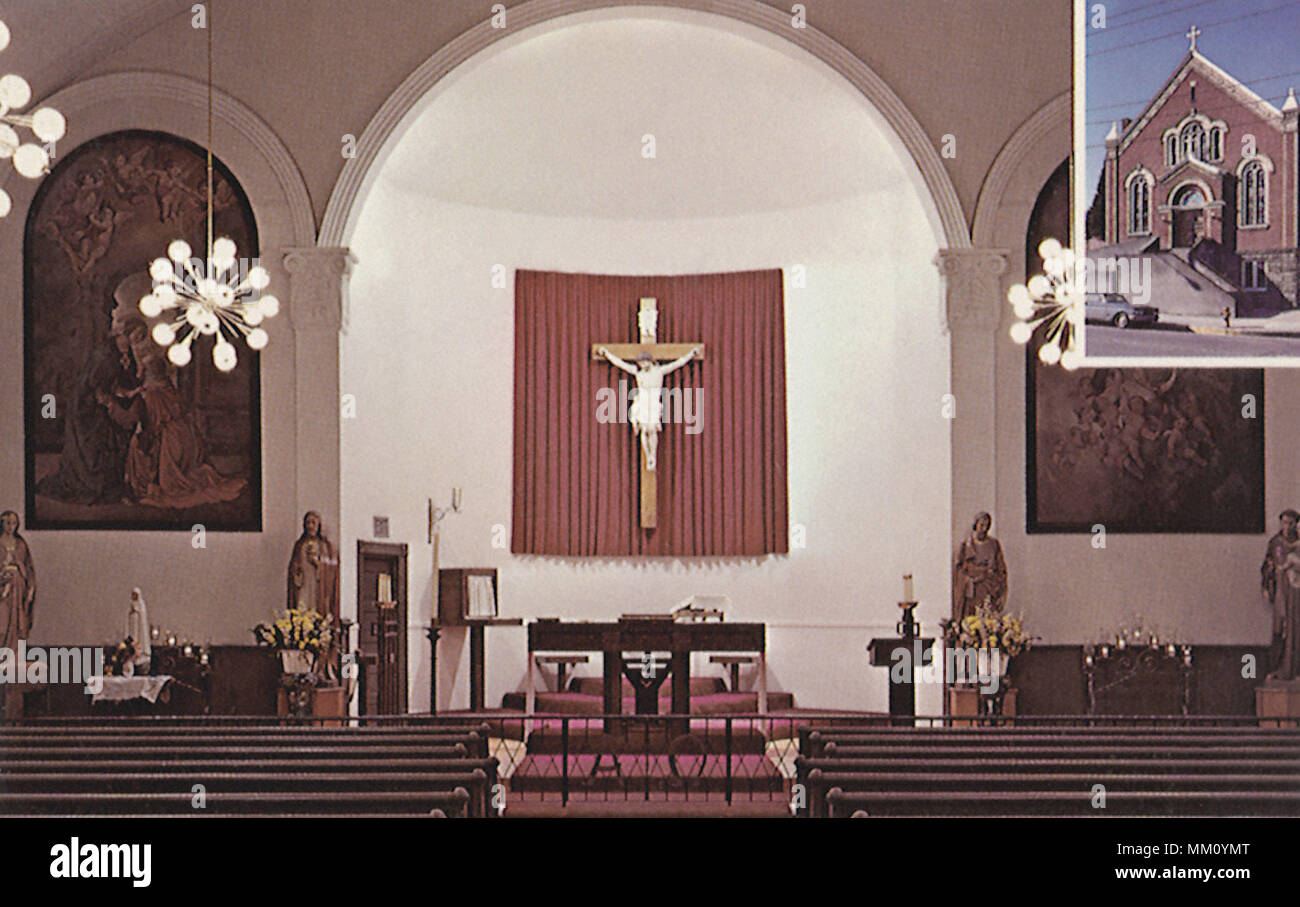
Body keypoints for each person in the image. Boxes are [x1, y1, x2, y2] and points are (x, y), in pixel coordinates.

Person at [595, 345, 702, 471]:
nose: (642, 365)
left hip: (653, 402)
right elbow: (620, 364)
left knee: (652, 429)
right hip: (643, 402)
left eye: (644, 362)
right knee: (644, 429)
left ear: (650, 361)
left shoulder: (659, 371)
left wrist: (691, 354)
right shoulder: (638, 372)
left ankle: (653, 456)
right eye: (640, 363)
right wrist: (607, 354)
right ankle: (648, 456)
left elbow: (678, 363)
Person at [1, 511, 36, 718]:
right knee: (3, 624)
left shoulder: (21, 544)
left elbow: (29, 569)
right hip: (3, 593)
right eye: (7, 522)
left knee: (16, 627)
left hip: (18, 592)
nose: (10, 526)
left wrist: (28, 586)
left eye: (14, 523)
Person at [1261, 509, 1300, 680]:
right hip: (1281, 591)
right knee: (1280, 628)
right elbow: (1268, 565)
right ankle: (1277, 668)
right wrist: (1266, 585)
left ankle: (1296, 670)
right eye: (1284, 523)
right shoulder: (1275, 543)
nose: (1287, 527)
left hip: (1296, 590)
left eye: (1291, 523)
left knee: (1296, 629)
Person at [952, 511, 1008, 623]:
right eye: (981, 525)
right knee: (971, 619)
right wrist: (969, 578)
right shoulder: (966, 545)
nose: (984, 529)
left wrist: (1001, 589)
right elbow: (959, 569)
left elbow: (1001, 570)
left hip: (988, 587)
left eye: (987, 526)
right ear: (975, 525)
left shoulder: (994, 544)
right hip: (973, 589)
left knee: (988, 617)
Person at [287, 511, 340, 624]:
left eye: (313, 522)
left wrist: (317, 563)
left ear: (319, 525)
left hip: (318, 586)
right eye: (307, 523)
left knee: (316, 611)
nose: (310, 526)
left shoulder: (326, 546)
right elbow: (293, 567)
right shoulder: (299, 545)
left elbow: (331, 571)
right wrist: (296, 570)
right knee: (302, 608)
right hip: (303, 584)